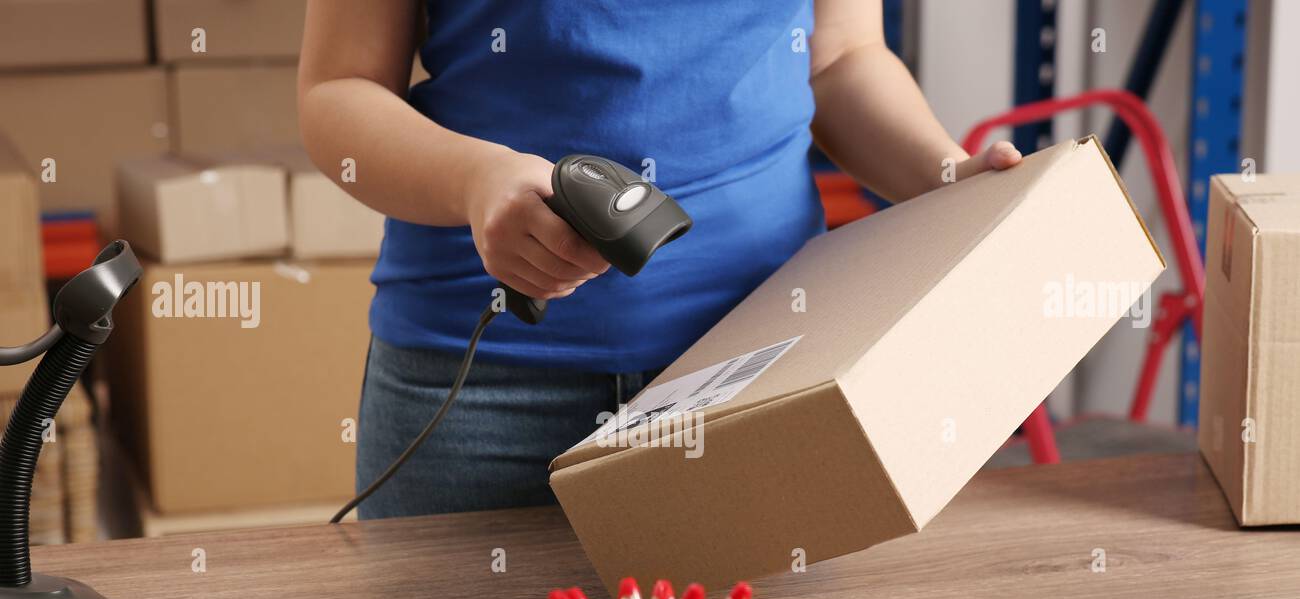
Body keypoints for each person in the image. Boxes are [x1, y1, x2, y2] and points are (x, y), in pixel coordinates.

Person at [298, 0, 1022, 519]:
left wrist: (944, 179)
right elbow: (339, 88)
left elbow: (838, 55)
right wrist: (473, 180)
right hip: (479, 384)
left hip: (762, 370)